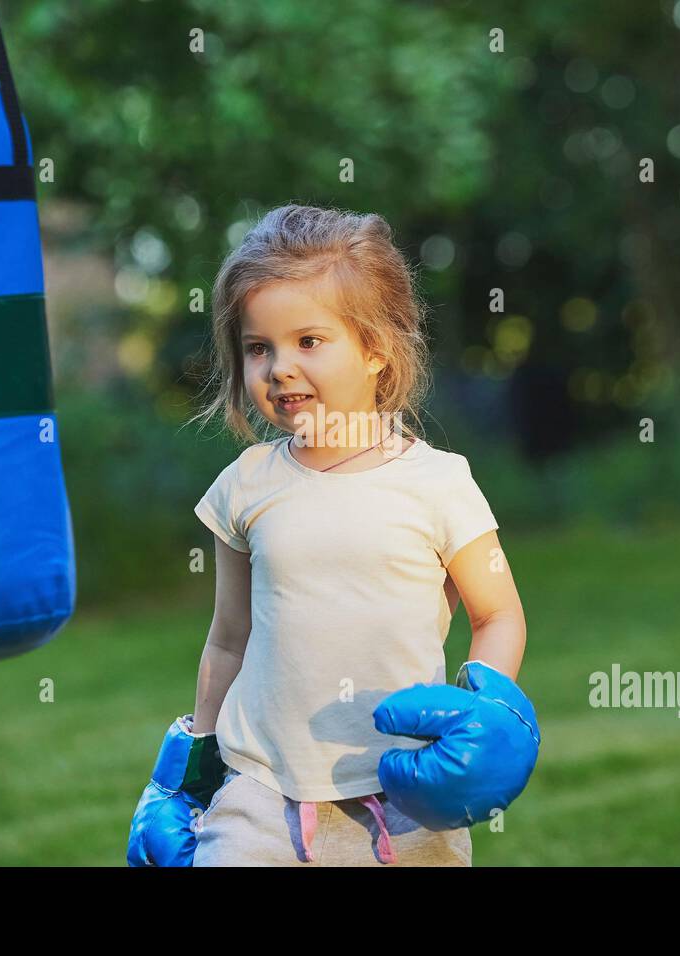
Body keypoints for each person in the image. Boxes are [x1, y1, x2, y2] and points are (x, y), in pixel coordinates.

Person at [132, 204, 530, 867]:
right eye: (259, 348)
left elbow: (499, 614)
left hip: (405, 792)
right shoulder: (247, 484)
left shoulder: (439, 484)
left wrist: (482, 713)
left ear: (377, 349)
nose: (280, 367)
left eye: (308, 341)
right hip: (258, 788)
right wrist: (187, 769)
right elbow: (228, 637)